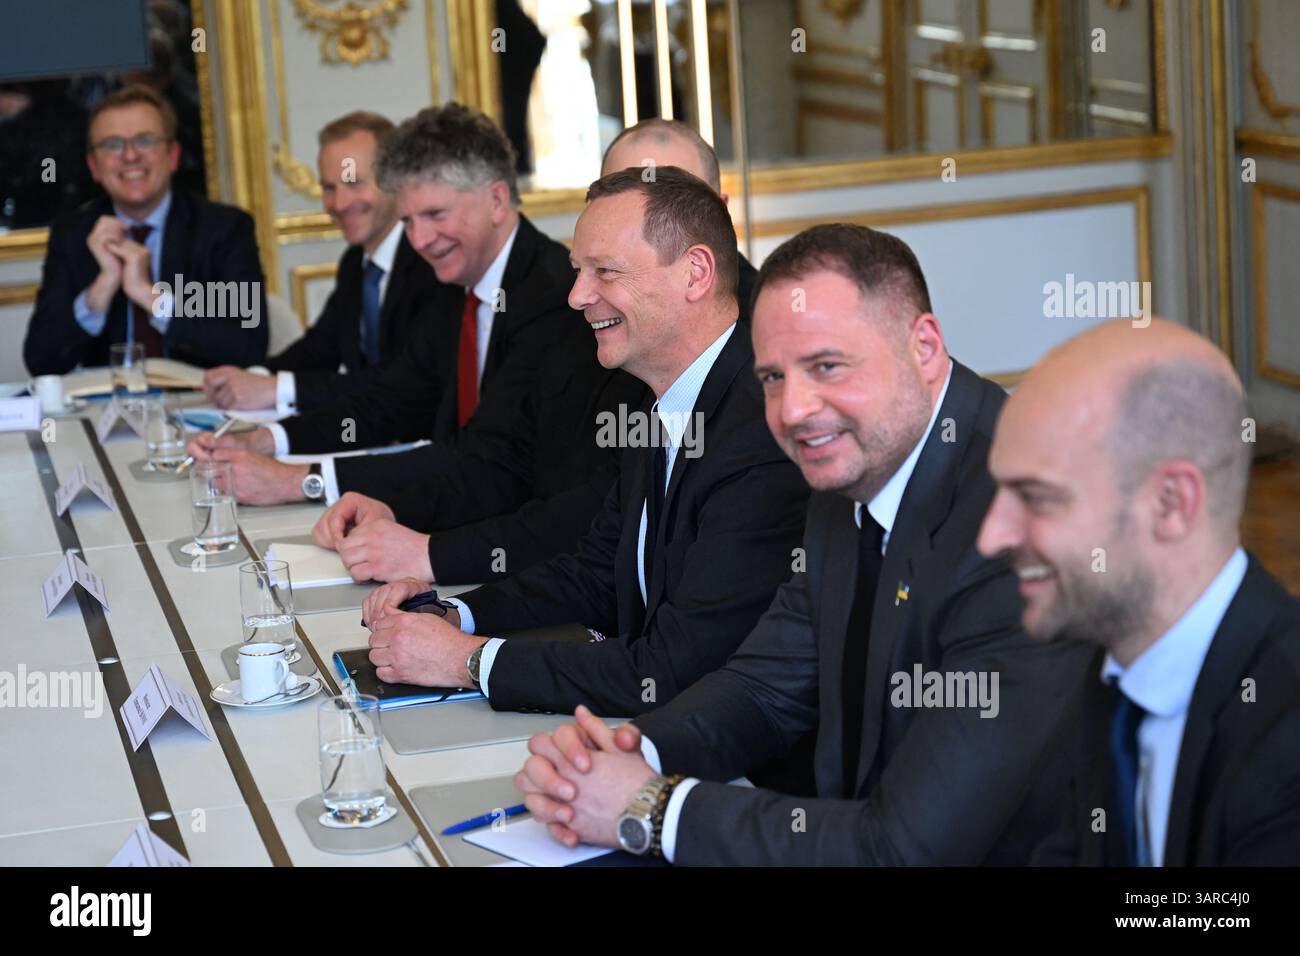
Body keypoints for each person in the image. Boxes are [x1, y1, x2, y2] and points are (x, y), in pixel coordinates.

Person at [513, 224, 1089, 864]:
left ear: (924, 347)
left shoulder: (1022, 525)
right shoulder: (858, 454)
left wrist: (649, 807)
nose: (794, 410)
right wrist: (628, 754)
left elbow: (902, 848)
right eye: (773, 378)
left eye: (826, 367)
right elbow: (767, 685)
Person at [357, 167, 810, 718]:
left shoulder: (763, 433)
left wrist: (469, 661)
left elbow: (673, 671)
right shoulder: (659, 395)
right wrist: (455, 615)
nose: (576, 296)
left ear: (695, 273)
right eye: (577, 271)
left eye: (605, 272)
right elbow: (597, 572)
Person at [310, 118, 756, 585]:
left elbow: (594, 520)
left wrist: (433, 560)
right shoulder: (586, 311)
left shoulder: (757, 357)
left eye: (672, 195)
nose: (639, 214)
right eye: (618, 193)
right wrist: (447, 599)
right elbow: (507, 459)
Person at [977, 318, 1300, 866]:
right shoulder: (1110, 659)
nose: (991, 537)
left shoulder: (1285, 740)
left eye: (1036, 497)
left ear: (1171, 505)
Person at [186, 102, 574, 505]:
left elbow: (488, 464)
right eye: (408, 221)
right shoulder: (458, 281)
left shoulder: (550, 295)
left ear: (496, 199)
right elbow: (391, 399)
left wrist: (299, 481)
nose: (420, 240)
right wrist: (266, 441)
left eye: (435, 214)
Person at [202, 111, 442, 413]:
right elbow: (319, 349)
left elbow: (400, 381)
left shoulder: (432, 261)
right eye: (329, 188)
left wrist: (277, 389)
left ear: (395, 180)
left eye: (353, 183)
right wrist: (252, 377)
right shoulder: (356, 262)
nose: (339, 204)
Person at [25, 84, 267, 374]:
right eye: (113, 144)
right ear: (94, 167)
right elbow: (42, 362)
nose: (130, 156)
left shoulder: (224, 229)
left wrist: (150, 297)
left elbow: (248, 346)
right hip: (108, 408)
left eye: (145, 141)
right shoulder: (73, 235)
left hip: (204, 406)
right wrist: (102, 286)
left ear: (173, 155)